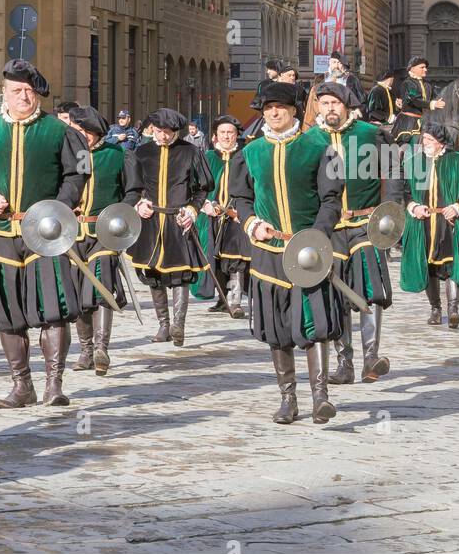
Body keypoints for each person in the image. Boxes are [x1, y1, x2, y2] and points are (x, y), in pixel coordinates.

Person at [0, 59, 86, 408]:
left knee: (53, 306)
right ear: (5, 94)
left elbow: (78, 173)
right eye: (16, 91)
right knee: (8, 309)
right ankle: (21, 385)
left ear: (38, 94)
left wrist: (58, 206)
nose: (23, 96)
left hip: (46, 231)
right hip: (0, 231)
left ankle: (54, 385)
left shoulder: (60, 132)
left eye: (29, 90)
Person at [232, 81, 344, 426]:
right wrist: (252, 223)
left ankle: (320, 396)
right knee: (277, 326)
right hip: (268, 251)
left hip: (308, 248)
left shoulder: (321, 145)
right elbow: (241, 199)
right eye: (267, 109)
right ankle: (288, 398)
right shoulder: (250, 152)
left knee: (314, 321)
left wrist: (317, 234)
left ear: (294, 110)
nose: (274, 113)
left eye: (279, 107)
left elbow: (331, 198)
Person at [308, 82, 392, 384]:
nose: (330, 108)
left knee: (371, 288)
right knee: (337, 293)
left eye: (335, 103)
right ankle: (345, 363)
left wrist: (391, 213)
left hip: (365, 224)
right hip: (329, 229)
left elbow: (391, 174)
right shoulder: (310, 140)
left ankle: (372, 354)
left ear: (346, 106)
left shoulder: (370, 134)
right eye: (324, 103)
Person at [123, 108, 211, 346]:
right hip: (151, 222)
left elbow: (203, 186)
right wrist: (139, 203)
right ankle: (163, 324)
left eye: (167, 132)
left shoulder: (190, 151)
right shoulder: (141, 153)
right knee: (153, 273)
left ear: (175, 132)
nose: (162, 136)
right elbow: (132, 187)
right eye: (159, 131)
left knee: (180, 273)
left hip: (177, 220)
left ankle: (178, 324)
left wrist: (192, 210)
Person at [396, 120, 459, 328]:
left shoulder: (457, 160)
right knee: (428, 266)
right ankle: (435, 309)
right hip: (424, 222)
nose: (425, 142)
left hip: (450, 222)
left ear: (440, 141)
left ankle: (453, 309)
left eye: (430, 139)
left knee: (452, 264)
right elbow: (406, 192)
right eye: (424, 139)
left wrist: (457, 206)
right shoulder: (414, 162)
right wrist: (413, 207)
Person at [67, 106, 126, 374]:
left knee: (102, 288)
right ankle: (86, 351)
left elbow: (132, 191)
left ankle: (102, 349)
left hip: (104, 232)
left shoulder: (117, 155)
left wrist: (122, 215)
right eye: (80, 132)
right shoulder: (73, 155)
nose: (84, 137)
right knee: (80, 294)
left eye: (88, 133)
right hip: (73, 234)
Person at [194, 114, 248, 317]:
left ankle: (235, 300)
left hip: (235, 216)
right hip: (210, 217)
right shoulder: (207, 158)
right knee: (214, 258)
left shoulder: (244, 156)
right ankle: (222, 297)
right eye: (223, 133)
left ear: (236, 135)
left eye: (230, 133)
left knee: (236, 258)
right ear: (215, 135)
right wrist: (205, 204)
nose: (227, 137)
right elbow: (196, 187)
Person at [390, 57, 445, 145]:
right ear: (412, 68)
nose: (425, 69)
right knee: (406, 145)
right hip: (409, 123)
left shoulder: (427, 85)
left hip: (425, 122)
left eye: (426, 67)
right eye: (422, 67)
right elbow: (414, 100)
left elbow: (435, 99)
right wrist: (432, 104)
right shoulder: (408, 83)